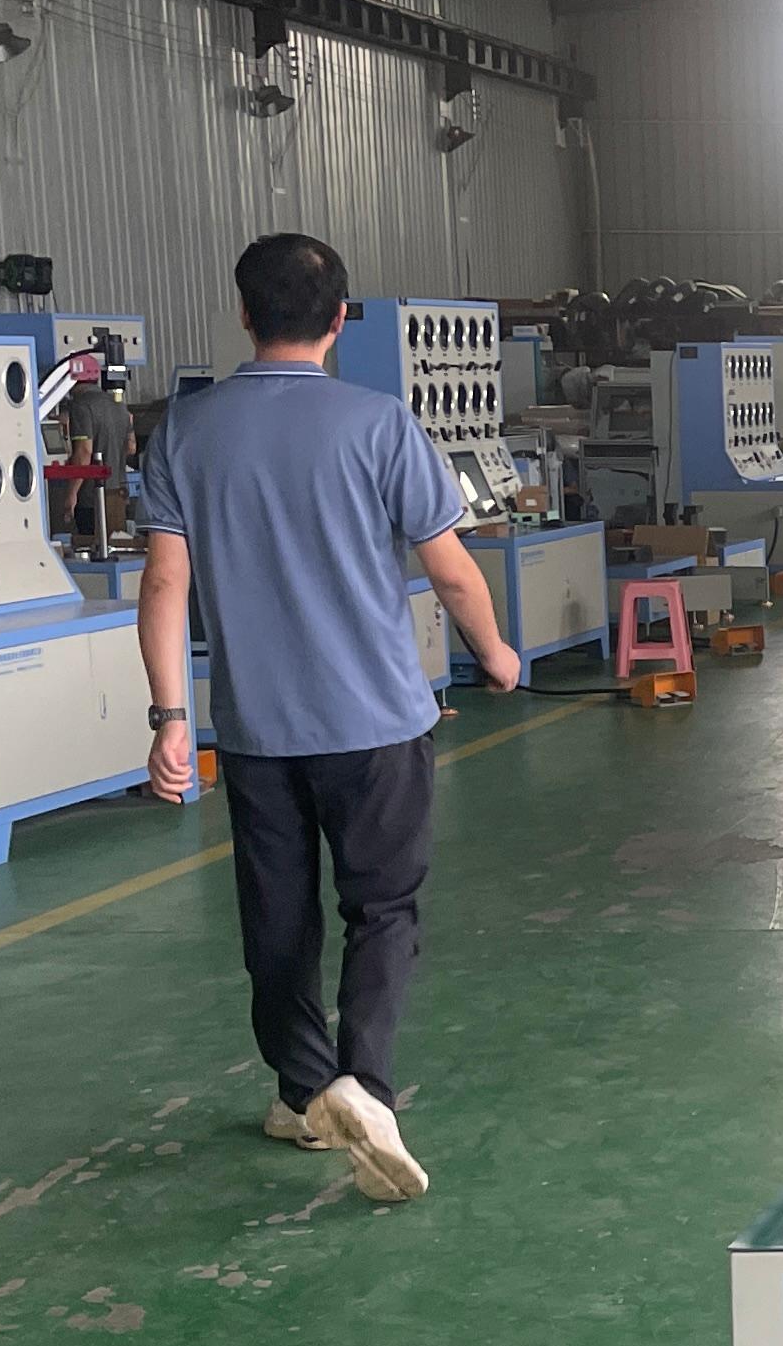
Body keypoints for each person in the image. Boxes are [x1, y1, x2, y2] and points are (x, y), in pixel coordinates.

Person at [135, 234, 521, 1203]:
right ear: (341, 319)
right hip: (377, 721)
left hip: (257, 729)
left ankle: (303, 1090)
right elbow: (449, 569)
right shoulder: (381, 423)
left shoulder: (185, 430)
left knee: (278, 915)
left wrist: (171, 715)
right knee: (381, 908)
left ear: (243, 313)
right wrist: (495, 651)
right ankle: (366, 1085)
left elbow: (166, 581)